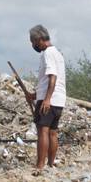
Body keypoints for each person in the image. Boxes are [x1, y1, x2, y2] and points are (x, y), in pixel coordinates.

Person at [28, 24, 66, 173]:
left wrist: (47, 99)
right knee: (53, 132)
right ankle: (50, 164)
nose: (33, 45)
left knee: (43, 131)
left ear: (40, 39)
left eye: (33, 41)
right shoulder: (57, 53)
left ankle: (40, 165)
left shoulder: (48, 53)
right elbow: (47, 81)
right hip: (59, 99)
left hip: (49, 99)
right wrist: (34, 95)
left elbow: (52, 77)